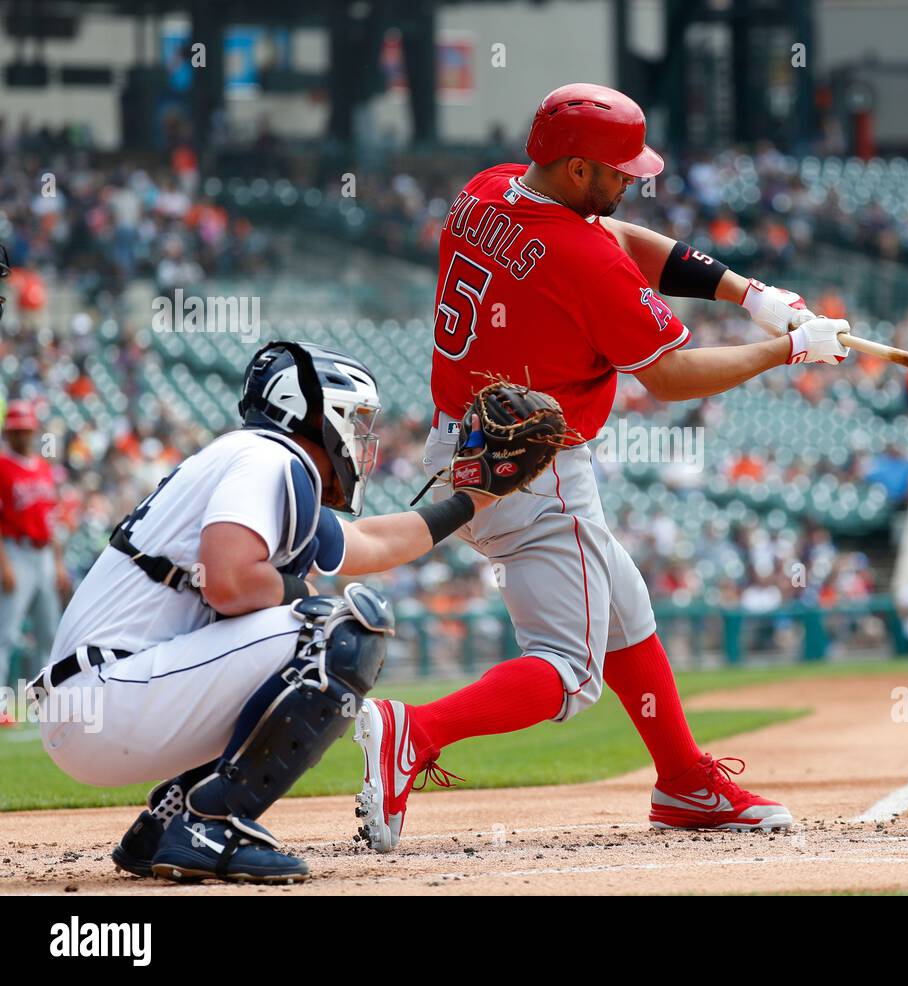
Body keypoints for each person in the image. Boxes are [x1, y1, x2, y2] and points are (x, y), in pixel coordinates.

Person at [354, 81, 852, 852]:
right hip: (535, 464)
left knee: (625, 610)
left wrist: (748, 293)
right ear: (577, 170)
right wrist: (785, 348)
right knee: (567, 670)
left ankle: (684, 781)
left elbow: (618, 237)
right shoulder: (580, 255)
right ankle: (412, 731)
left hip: (472, 439)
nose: (631, 182)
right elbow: (670, 374)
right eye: (618, 170)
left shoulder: (488, 187)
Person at [32, 341, 524, 883]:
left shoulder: (256, 462)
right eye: (356, 419)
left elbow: (369, 543)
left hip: (102, 700)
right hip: (109, 696)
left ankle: (168, 822)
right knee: (338, 629)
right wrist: (298, 591)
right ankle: (212, 823)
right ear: (312, 411)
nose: (361, 439)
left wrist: (475, 498)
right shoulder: (269, 457)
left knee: (310, 618)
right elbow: (230, 581)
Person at [0, 400, 69, 725]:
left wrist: (57, 563)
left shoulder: (42, 467)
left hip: (43, 555)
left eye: (27, 429)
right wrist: (4, 565)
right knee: (6, 634)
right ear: (8, 432)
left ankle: (41, 705)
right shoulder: (2, 465)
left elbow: (51, 519)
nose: (24, 434)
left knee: (48, 634)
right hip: (15, 551)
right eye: (18, 430)